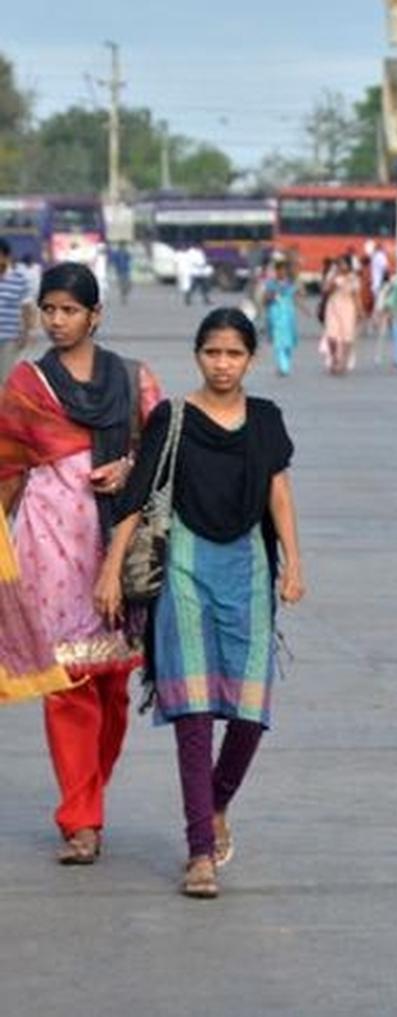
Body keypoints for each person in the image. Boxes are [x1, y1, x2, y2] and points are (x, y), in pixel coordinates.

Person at [96, 307, 304, 899]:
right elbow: (137, 497)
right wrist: (111, 570)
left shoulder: (266, 419)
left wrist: (295, 562)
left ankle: (214, 805)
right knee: (192, 712)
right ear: (197, 356)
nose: (222, 364)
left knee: (249, 712)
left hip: (249, 571)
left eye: (234, 354)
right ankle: (199, 852)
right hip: (185, 569)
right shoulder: (173, 418)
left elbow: (279, 493)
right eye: (212, 352)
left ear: (250, 360)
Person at [0, 262, 162, 864]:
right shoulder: (27, 383)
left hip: (115, 546)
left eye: (69, 310)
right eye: (49, 309)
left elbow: (163, 449)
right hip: (50, 549)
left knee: (113, 688)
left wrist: (128, 467)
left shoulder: (134, 379)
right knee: (69, 685)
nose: (56, 321)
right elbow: (7, 468)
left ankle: (89, 793)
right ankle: (81, 819)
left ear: (95, 315)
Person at [319, 254, 362, 376]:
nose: (341, 266)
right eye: (339, 264)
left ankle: (343, 362)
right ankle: (334, 358)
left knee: (347, 337)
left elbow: (356, 296)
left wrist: (360, 311)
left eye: (343, 263)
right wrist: (335, 279)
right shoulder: (333, 276)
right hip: (333, 307)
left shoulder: (353, 278)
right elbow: (325, 291)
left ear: (349, 265)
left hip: (348, 308)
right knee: (332, 336)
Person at [0, 239, 35, 382]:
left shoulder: (20, 280)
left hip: (9, 338)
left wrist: (26, 333)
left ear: (6, 257)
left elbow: (26, 308)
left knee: (5, 377)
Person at [263, 259, 304, 377]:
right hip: (275, 315)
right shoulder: (270, 284)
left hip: (288, 316)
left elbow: (298, 296)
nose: (281, 272)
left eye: (284, 270)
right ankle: (283, 367)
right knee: (278, 341)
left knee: (288, 343)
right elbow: (265, 299)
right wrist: (271, 296)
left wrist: (304, 309)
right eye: (279, 270)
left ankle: (285, 364)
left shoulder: (290, 284)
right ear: (276, 271)